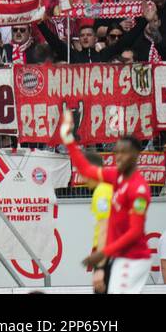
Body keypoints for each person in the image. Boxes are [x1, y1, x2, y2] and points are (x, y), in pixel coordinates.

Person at [61, 110, 152, 295]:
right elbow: (87, 168)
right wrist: (68, 138)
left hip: (133, 258)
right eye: (116, 152)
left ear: (136, 156)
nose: (118, 156)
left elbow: (135, 232)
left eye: (124, 153)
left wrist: (102, 256)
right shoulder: (115, 176)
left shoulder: (139, 190)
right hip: (119, 256)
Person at [75, 149, 115, 294]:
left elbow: (105, 230)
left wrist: (100, 268)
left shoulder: (102, 191)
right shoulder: (108, 187)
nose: (81, 178)